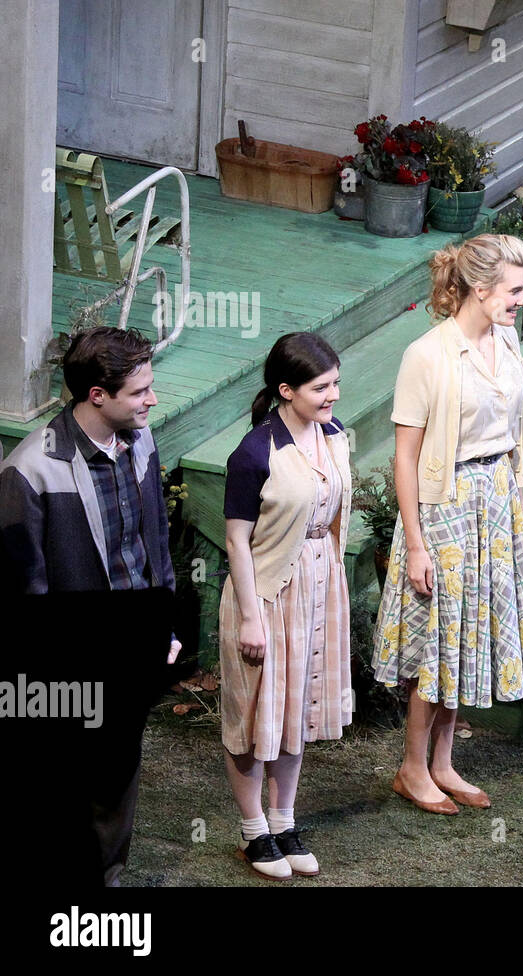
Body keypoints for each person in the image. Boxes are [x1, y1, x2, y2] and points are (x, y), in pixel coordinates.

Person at [0, 326, 180, 885]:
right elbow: (20, 584)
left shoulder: (141, 441)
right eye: (140, 390)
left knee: (118, 767)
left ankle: (107, 880)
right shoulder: (30, 469)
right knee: (60, 777)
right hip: (66, 658)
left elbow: (155, 540)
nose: (152, 399)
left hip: (130, 642)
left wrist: (165, 625)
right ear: (97, 395)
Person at [374, 235, 523, 803]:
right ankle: (411, 768)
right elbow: (405, 456)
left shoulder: (509, 341)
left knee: (466, 637)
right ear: (479, 287)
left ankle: (443, 764)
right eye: (515, 290)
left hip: (495, 502)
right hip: (445, 507)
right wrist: (416, 545)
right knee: (438, 642)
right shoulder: (427, 354)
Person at [220, 332, 353, 880]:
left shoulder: (335, 434)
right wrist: (251, 616)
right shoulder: (256, 453)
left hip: (321, 587)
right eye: (321, 387)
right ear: (285, 390)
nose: (333, 396)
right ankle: (254, 831)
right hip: (270, 595)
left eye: (336, 383)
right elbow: (236, 541)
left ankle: (284, 821)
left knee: (297, 708)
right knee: (255, 715)